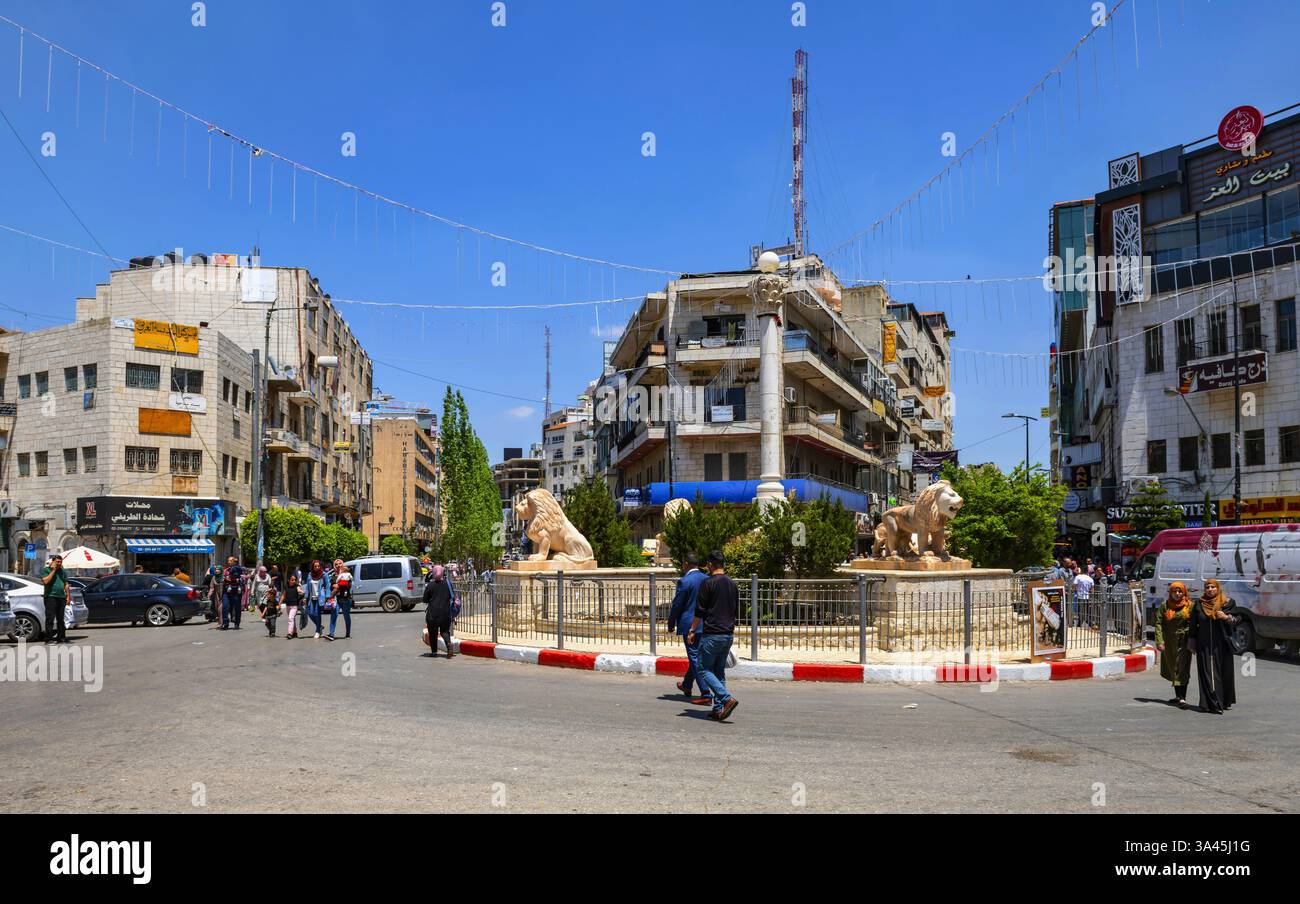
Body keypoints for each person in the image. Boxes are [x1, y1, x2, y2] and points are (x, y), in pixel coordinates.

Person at [689, 550, 740, 722]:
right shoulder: (732, 584)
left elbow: (700, 611)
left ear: (710, 564)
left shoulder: (708, 583)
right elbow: (735, 609)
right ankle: (719, 709)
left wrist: (692, 630)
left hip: (712, 634)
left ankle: (726, 699)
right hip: (728, 634)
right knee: (719, 671)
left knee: (703, 668)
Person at [666, 553, 710, 705]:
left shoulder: (684, 581)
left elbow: (677, 605)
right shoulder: (707, 579)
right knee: (696, 657)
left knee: (694, 657)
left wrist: (671, 623)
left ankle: (705, 693)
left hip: (690, 625)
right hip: (706, 624)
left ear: (685, 563)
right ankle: (687, 685)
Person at [1190, 579, 1239, 714]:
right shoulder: (1199, 604)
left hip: (1222, 644)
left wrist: (1226, 617)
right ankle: (1212, 703)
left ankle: (1224, 700)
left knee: (1224, 673)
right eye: (1207, 587)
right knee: (1208, 674)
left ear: (1218, 588)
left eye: (1213, 587)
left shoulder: (1228, 602)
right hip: (1204, 645)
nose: (1210, 589)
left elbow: (1237, 620)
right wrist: (1192, 641)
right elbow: (1193, 625)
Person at [1155, 582, 1193, 709]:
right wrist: (1160, 641)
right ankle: (1177, 696)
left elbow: (1195, 623)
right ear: (1170, 593)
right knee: (1173, 667)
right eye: (1174, 591)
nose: (1177, 594)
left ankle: (1183, 698)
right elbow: (1158, 623)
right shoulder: (1164, 606)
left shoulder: (1189, 606)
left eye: (1180, 591)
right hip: (1169, 641)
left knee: (1182, 667)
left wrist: (1194, 640)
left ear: (1184, 592)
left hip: (1184, 641)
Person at [424, 565, 455, 659]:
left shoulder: (430, 585)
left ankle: (434, 652)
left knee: (433, 632)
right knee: (445, 631)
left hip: (432, 614)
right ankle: (448, 644)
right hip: (445, 613)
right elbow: (451, 596)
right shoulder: (448, 584)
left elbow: (425, 599)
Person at [40, 555, 69, 644]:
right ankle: (48, 639)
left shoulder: (62, 571)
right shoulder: (46, 570)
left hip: (61, 597)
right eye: (57, 562)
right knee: (50, 618)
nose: (59, 563)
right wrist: (53, 570)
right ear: (53, 561)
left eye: (61, 562)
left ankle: (61, 638)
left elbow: (66, 583)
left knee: (61, 619)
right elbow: (45, 581)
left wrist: (68, 596)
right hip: (50, 597)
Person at [304, 560, 332, 640]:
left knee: (317, 614)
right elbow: (307, 587)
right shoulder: (310, 575)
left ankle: (317, 631)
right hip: (311, 598)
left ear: (320, 566)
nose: (317, 568)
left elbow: (327, 585)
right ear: (312, 567)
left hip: (320, 598)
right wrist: (305, 597)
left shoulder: (324, 574)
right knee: (310, 613)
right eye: (315, 566)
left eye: (318, 566)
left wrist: (327, 597)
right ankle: (320, 626)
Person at [328, 563, 354, 641]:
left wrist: (338, 585)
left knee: (346, 617)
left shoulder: (347, 574)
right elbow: (330, 586)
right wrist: (333, 585)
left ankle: (348, 633)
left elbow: (348, 586)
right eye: (336, 564)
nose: (338, 565)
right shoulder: (333, 576)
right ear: (334, 566)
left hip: (346, 599)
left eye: (340, 564)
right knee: (333, 616)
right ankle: (331, 634)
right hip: (336, 599)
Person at [220, 556, 247, 630]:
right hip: (227, 591)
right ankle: (225, 623)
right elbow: (222, 579)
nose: (229, 562)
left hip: (236, 591)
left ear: (234, 562)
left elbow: (243, 579)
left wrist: (237, 579)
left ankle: (237, 623)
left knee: (237, 608)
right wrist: (225, 578)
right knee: (225, 607)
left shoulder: (240, 570)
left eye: (231, 561)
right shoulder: (226, 570)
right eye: (228, 561)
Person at [280, 574, 304, 640]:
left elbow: (299, 590)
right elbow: (283, 596)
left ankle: (289, 633)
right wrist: (279, 604)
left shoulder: (297, 586)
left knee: (290, 618)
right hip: (288, 606)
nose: (294, 581)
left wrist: (301, 591)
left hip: (294, 606)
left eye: (295, 580)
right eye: (292, 580)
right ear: (288, 580)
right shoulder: (286, 587)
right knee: (292, 619)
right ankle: (295, 632)